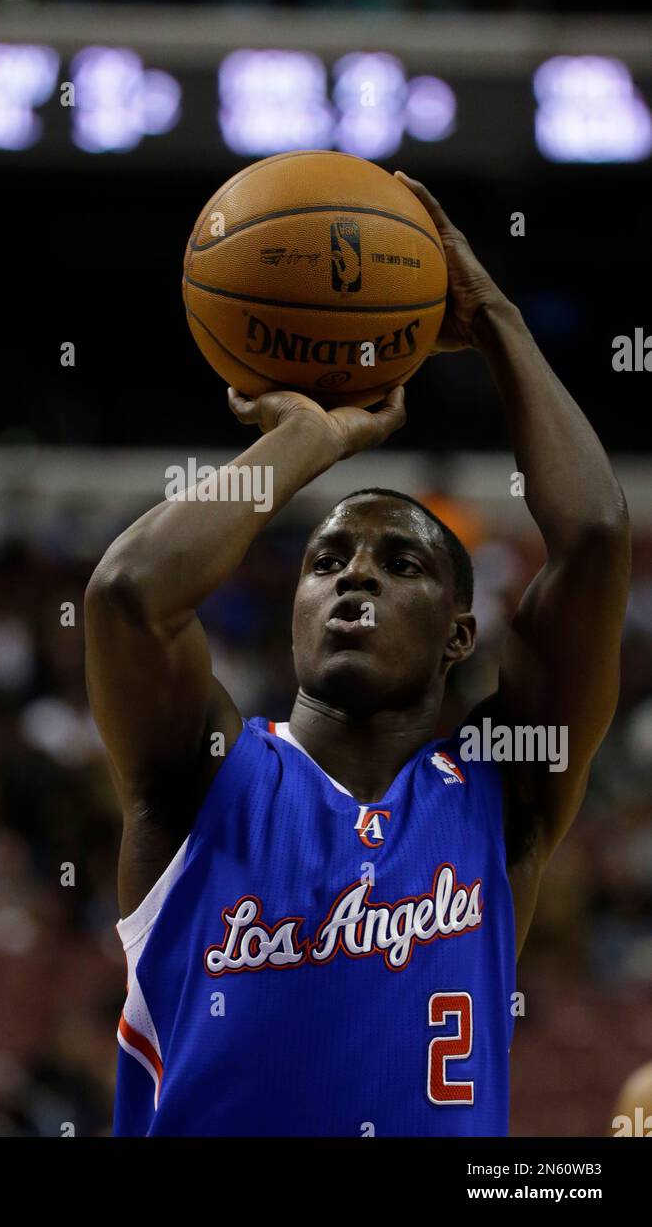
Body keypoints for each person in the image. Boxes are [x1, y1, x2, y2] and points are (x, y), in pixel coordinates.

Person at [85, 174, 630, 1137]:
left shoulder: (503, 790)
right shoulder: (199, 775)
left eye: (401, 563)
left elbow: (591, 538)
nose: (354, 579)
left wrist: (493, 314)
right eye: (326, 560)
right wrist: (308, 438)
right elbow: (129, 598)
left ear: (462, 632)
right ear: (294, 609)